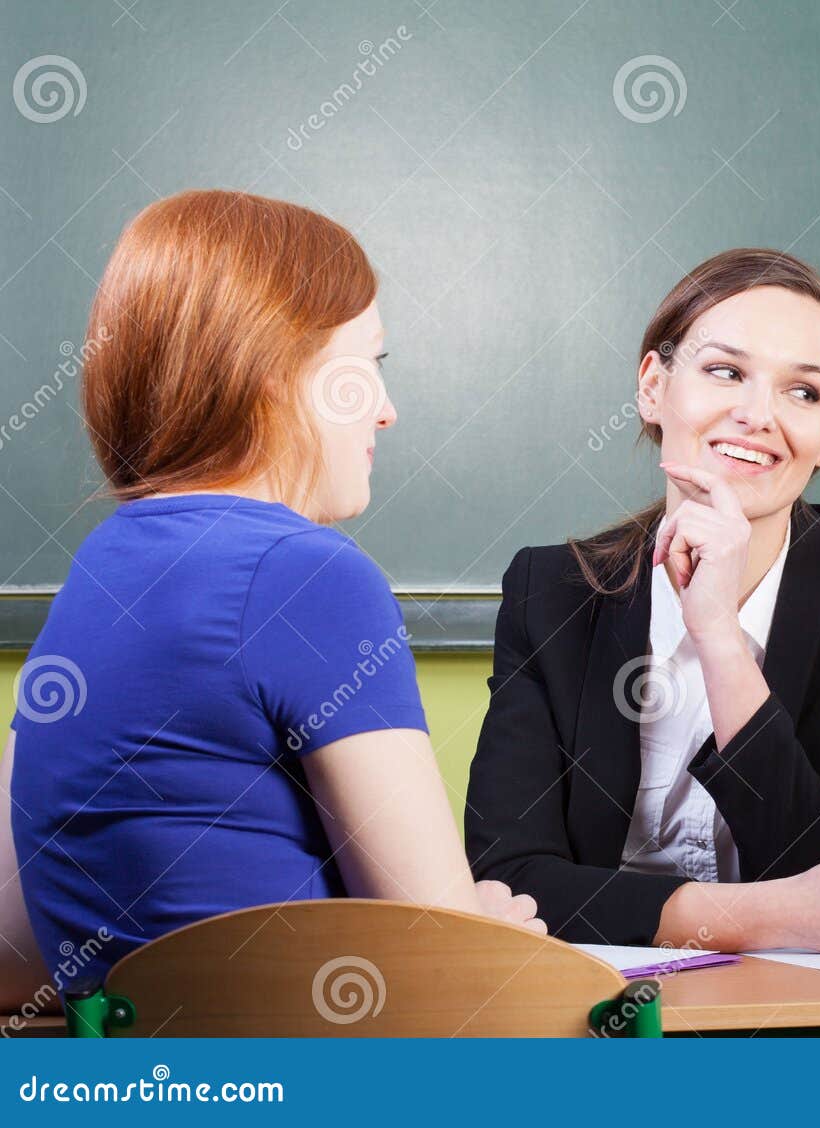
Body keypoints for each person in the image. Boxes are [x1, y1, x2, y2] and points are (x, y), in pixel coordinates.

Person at [1, 190, 542, 998]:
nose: (386, 413)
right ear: (272, 375)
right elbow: (448, 968)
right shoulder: (311, 575)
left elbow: (13, 959)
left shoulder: (102, 565)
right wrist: (485, 923)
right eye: (365, 371)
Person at [467, 248, 820, 951]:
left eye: (803, 393)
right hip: (606, 1021)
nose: (757, 415)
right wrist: (760, 916)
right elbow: (511, 884)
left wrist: (719, 637)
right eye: (725, 372)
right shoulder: (551, 596)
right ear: (653, 386)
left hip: (811, 1025)